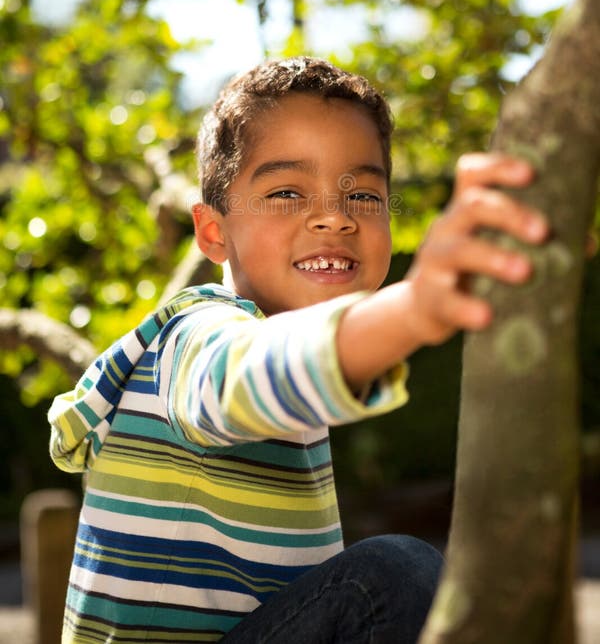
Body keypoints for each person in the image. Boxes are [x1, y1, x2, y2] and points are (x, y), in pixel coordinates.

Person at [49, 57, 548, 644]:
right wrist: (413, 309)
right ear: (214, 232)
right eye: (286, 192)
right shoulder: (194, 334)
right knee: (392, 577)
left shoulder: (295, 392)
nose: (334, 216)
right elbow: (242, 374)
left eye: (362, 195)